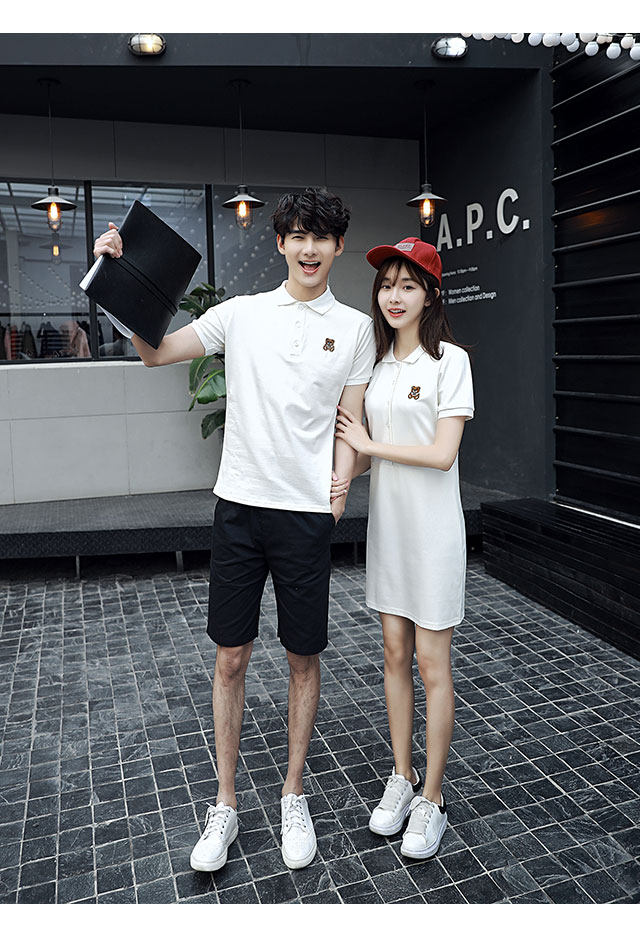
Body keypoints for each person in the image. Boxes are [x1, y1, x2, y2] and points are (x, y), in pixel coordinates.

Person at [92, 187, 376, 872]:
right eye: (297, 235)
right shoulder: (240, 315)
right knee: (231, 658)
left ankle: (292, 793)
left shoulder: (356, 329)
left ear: (338, 246)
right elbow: (156, 353)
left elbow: (352, 426)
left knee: (303, 658)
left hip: (305, 517)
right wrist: (117, 277)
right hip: (241, 511)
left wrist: (337, 495)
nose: (309, 248)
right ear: (279, 243)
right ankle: (225, 803)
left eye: (321, 236)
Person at [332, 237, 474, 860]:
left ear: (430, 296)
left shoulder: (450, 362)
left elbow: (442, 455)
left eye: (408, 285)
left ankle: (433, 799)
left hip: (434, 534)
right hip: (388, 531)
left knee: (432, 664)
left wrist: (368, 445)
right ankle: (402, 775)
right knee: (394, 653)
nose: (394, 296)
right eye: (387, 284)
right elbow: (367, 456)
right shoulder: (377, 367)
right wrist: (341, 474)